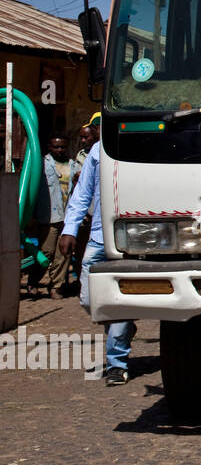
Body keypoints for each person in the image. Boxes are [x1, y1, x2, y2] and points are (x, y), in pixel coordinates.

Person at [58, 140, 134, 385]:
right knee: (90, 300)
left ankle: (117, 363)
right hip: (98, 238)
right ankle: (122, 330)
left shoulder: (144, 144)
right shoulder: (97, 150)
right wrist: (69, 229)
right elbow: (83, 191)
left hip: (129, 239)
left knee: (118, 302)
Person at [27, 134, 80, 296]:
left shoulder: (73, 166)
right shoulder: (42, 164)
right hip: (48, 215)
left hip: (68, 216)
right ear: (49, 148)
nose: (60, 150)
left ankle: (56, 286)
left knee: (64, 253)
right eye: (56, 147)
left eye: (62, 147)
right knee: (46, 252)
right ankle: (33, 280)